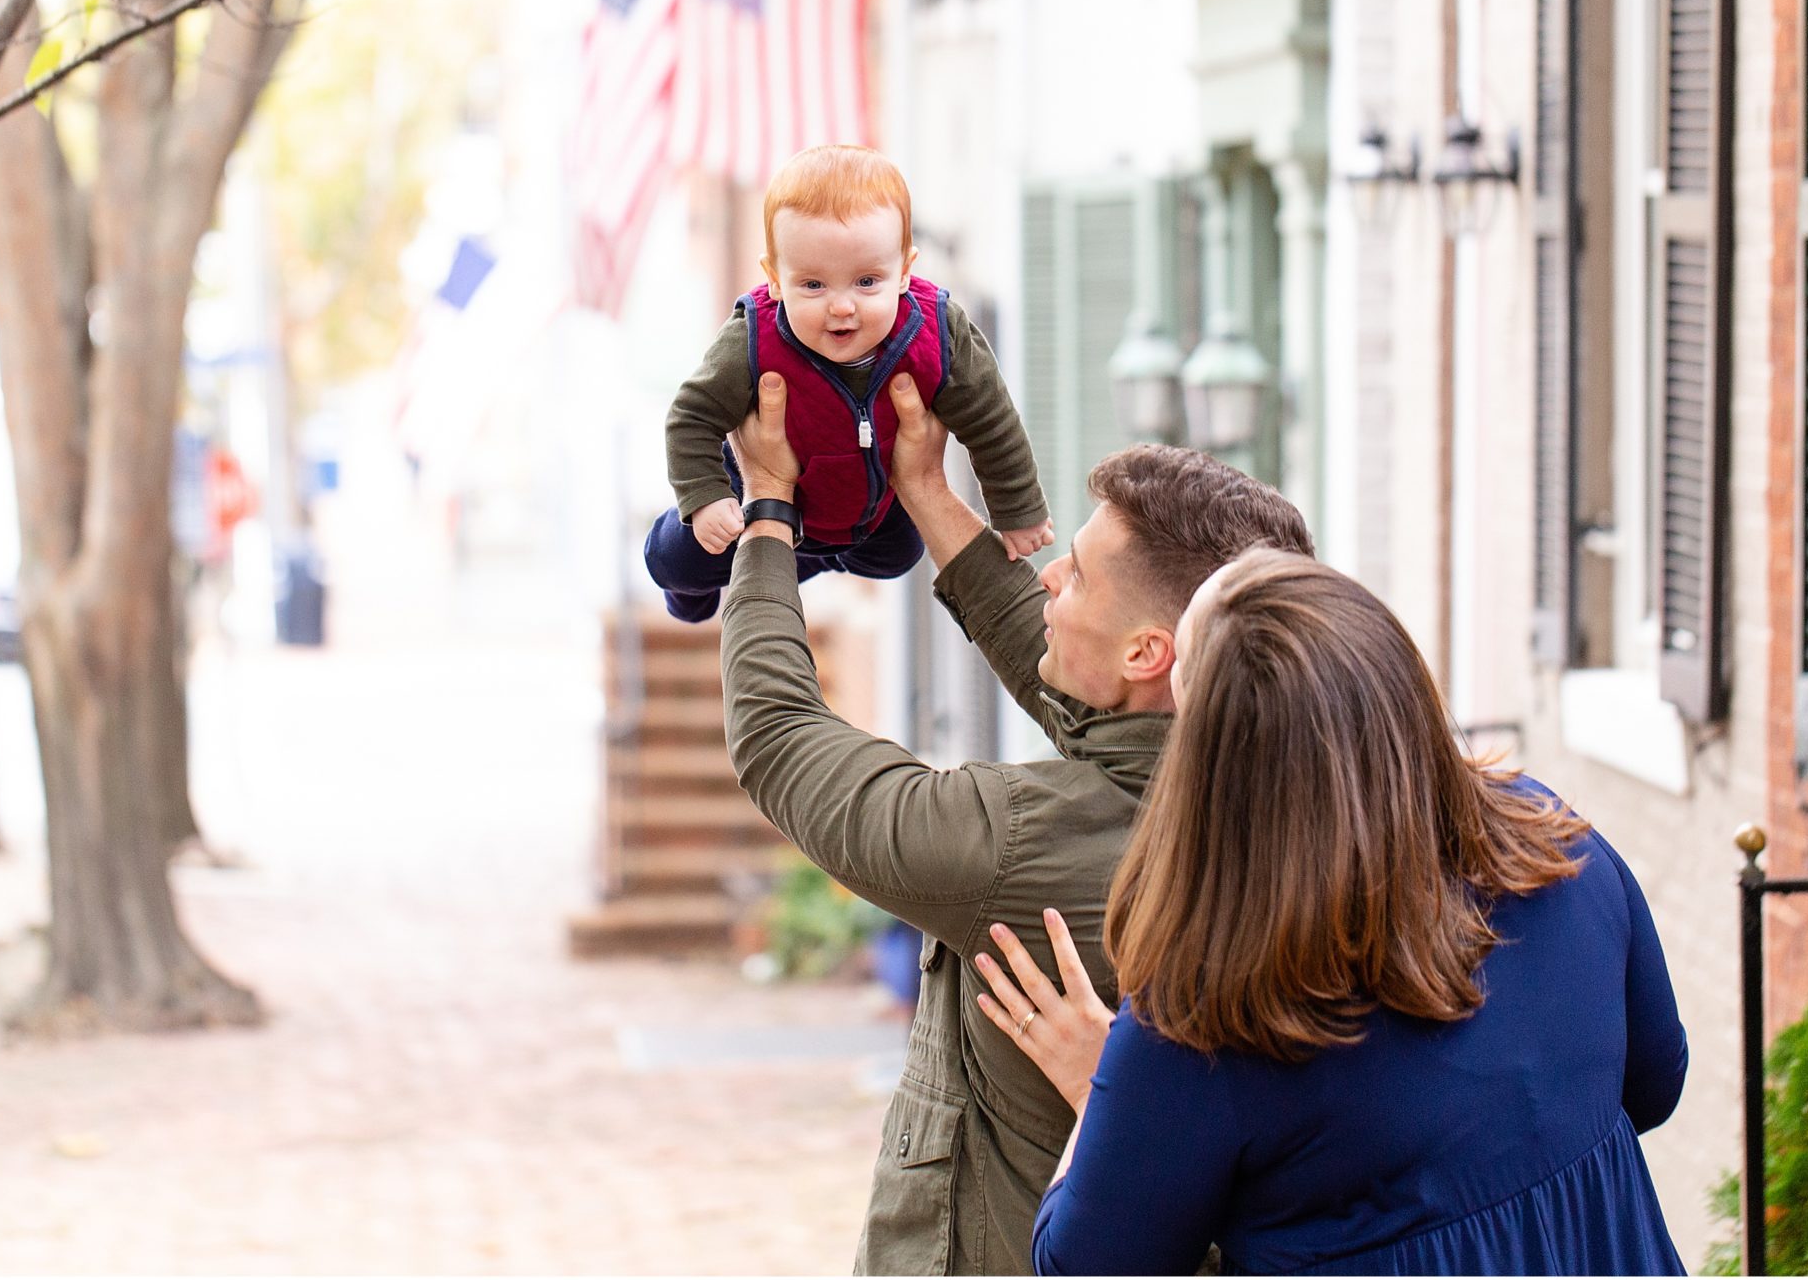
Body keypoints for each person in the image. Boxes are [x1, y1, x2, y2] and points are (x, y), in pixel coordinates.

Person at [715, 370, 1315, 1274]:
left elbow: (777, 738)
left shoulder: (1028, 847)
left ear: (1152, 651)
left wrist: (765, 512)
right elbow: (1096, 700)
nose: (1050, 576)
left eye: (1076, 573)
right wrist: (926, 493)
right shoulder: (1280, 787)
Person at [976, 550, 1690, 1276]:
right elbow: (1655, 1082)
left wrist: (1105, 1096)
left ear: (1207, 757)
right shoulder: (1558, 846)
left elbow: (1086, 1265)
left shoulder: (1205, 1014)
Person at [645, 144, 1053, 622]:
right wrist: (707, 498)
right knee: (675, 560)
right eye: (813, 285)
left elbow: (991, 420)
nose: (842, 306)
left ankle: (808, 556)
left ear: (904, 271)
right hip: (756, 499)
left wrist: (1018, 508)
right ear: (775, 280)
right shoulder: (753, 339)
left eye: (866, 282)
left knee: (899, 555)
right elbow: (691, 415)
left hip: (869, 505)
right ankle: (698, 588)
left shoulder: (936, 335)